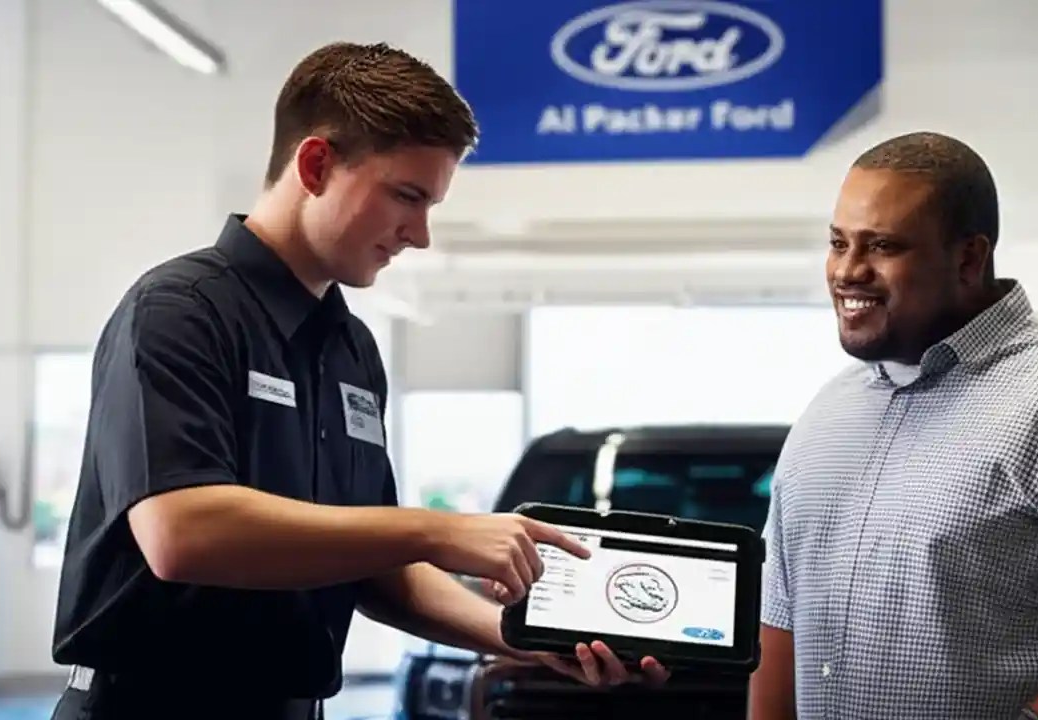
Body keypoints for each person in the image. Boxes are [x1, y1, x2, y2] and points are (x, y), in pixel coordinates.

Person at [48, 42, 669, 720]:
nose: (419, 235)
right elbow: (181, 533)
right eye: (407, 196)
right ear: (316, 165)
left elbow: (379, 570)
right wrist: (435, 530)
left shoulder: (351, 350)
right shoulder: (180, 311)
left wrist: (522, 639)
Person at [748, 131, 1038, 719]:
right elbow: (782, 615)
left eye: (882, 246)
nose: (848, 271)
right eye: (838, 243)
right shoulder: (826, 413)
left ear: (968, 258)